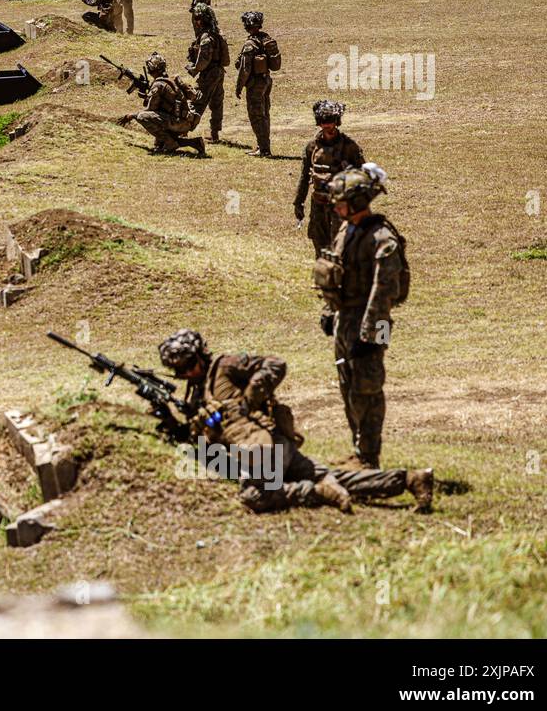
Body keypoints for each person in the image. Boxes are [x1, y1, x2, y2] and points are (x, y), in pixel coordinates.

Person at [157, 329, 434, 514]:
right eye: (178, 370)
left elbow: (276, 364)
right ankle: (409, 480)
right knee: (338, 478)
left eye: (188, 364)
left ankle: (315, 492)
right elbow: (195, 440)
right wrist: (168, 419)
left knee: (254, 496)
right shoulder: (196, 392)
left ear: (200, 354)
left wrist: (248, 401)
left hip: (267, 450)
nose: (185, 373)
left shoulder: (226, 366)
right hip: (267, 453)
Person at [315, 165, 408, 469]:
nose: (337, 207)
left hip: (374, 324)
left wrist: (370, 338)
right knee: (347, 386)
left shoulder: (383, 238)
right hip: (345, 319)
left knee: (367, 389)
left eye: (341, 202)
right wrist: (330, 312)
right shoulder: (346, 229)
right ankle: (358, 450)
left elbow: (385, 292)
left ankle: (369, 456)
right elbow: (336, 269)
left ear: (357, 202)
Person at [294, 101, 366, 255]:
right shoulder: (311, 147)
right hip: (318, 205)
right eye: (324, 124)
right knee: (320, 246)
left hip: (340, 206)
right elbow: (304, 177)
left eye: (331, 123)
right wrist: (298, 203)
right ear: (319, 124)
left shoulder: (350, 147)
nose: (328, 127)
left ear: (337, 122)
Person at [116, 53, 206, 156]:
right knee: (158, 144)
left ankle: (170, 144)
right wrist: (147, 96)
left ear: (151, 69)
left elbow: (151, 109)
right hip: (186, 121)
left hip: (177, 122)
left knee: (141, 116)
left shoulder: (158, 85)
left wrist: (132, 115)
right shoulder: (172, 80)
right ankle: (195, 143)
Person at [234, 10, 279, 157]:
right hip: (266, 81)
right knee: (264, 114)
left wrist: (239, 86)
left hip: (256, 85)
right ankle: (263, 146)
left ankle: (264, 149)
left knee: (256, 115)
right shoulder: (265, 39)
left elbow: (245, 69)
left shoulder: (250, 44)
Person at [186, 4, 227, 143]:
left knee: (197, 101)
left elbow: (204, 60)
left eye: (197, 18)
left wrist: (194, 69)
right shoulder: (217, 33)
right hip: (219, 72)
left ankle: (183, 129)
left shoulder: (206, 37)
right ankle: (215, 134)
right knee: (217, 103)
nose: (196, 21)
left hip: (209, 74)